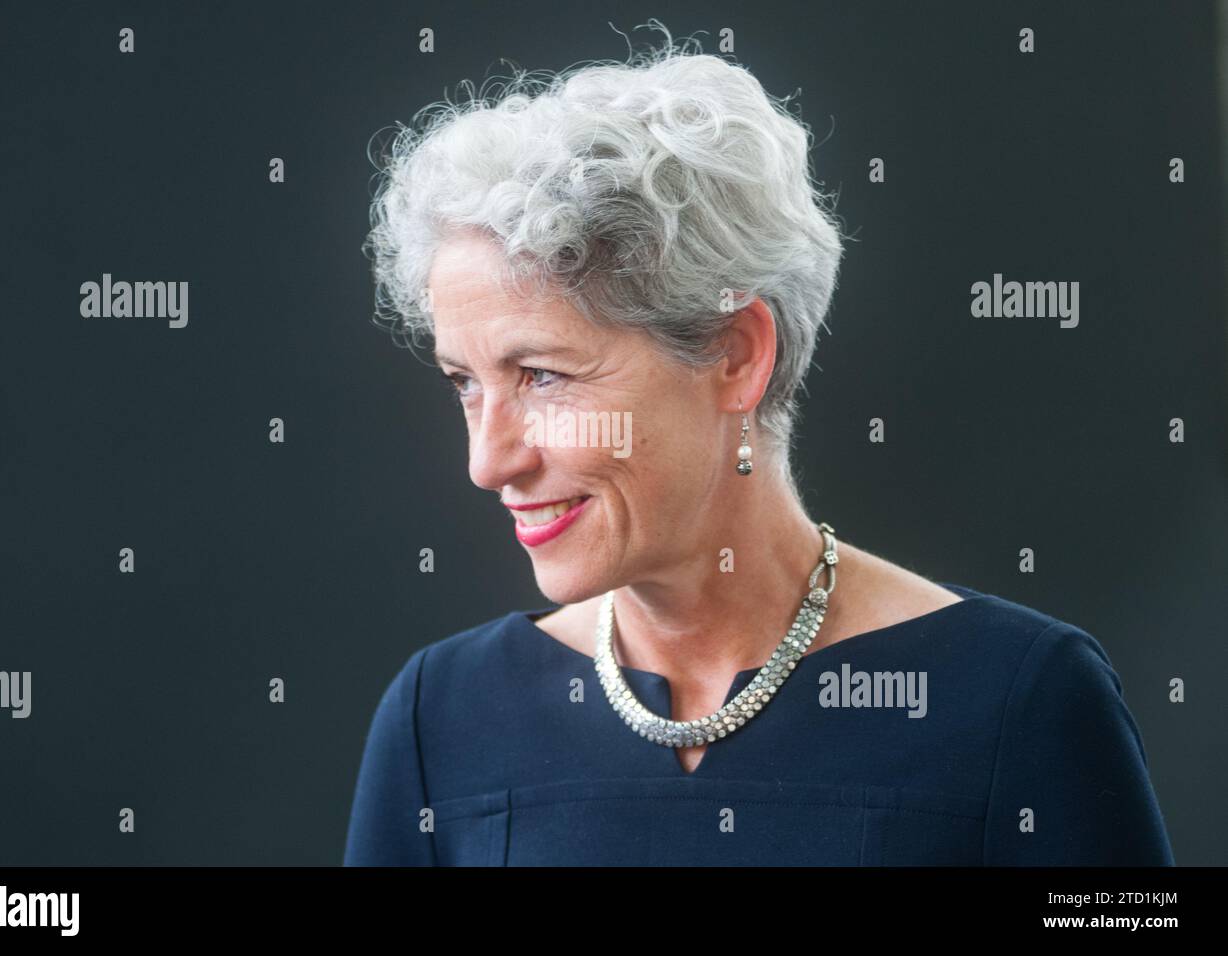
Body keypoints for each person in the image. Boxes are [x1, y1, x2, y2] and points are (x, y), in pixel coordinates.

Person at [344, 25, 1174, 866]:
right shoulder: (442, 714)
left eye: (544, 376)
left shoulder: (1016, 699)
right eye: (464, 383)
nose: (488, 462)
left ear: (736, 354)